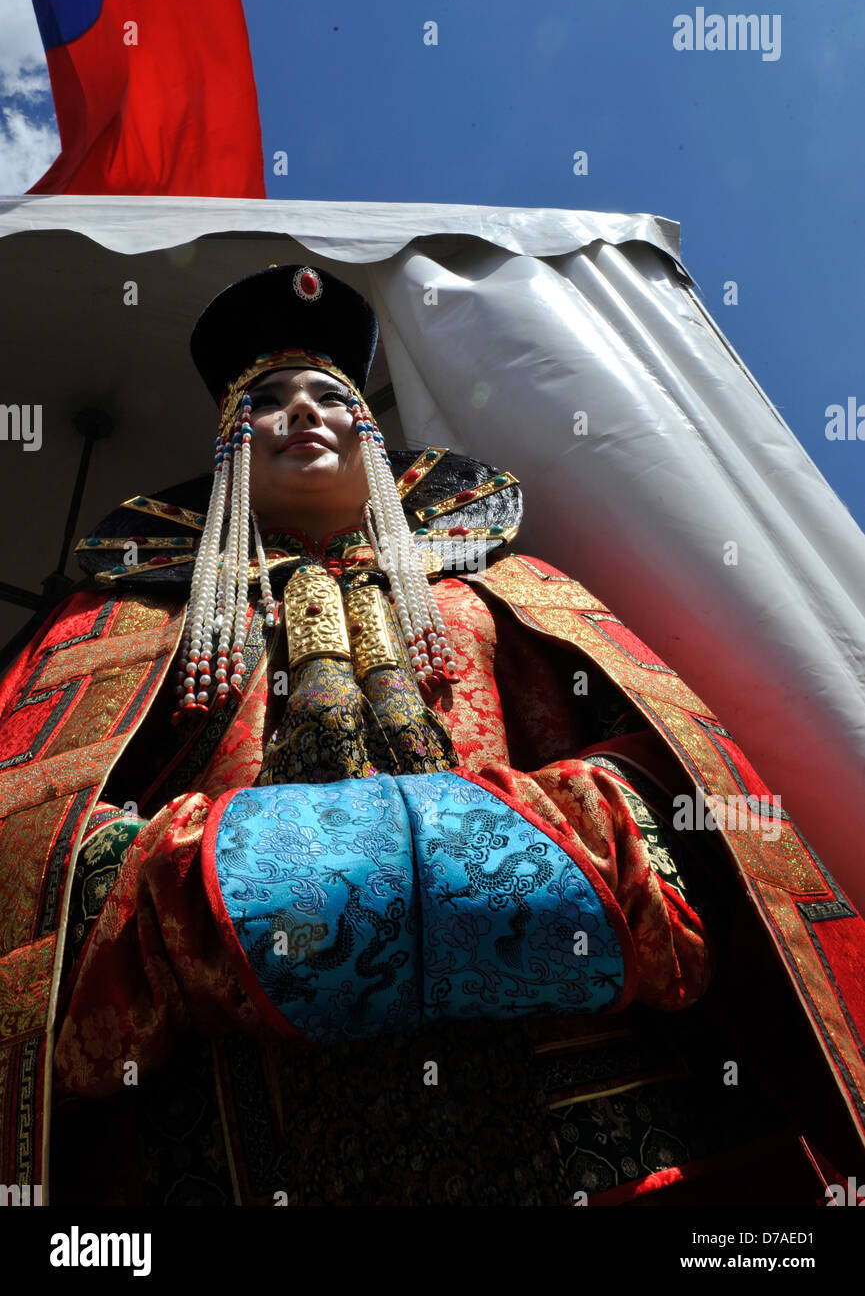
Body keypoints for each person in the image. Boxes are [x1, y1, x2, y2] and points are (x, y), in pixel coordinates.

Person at [1, 264, 864, 1207]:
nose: (303, 414)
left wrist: (575, 828)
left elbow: (664, 752)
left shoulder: (506, 587)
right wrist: (181, 885)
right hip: (243, 1092)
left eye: (332, 397)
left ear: (376, 439)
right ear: (227, 452)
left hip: (568, 1071)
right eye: (266, 404)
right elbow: (39, 827)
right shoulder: (125, 618)